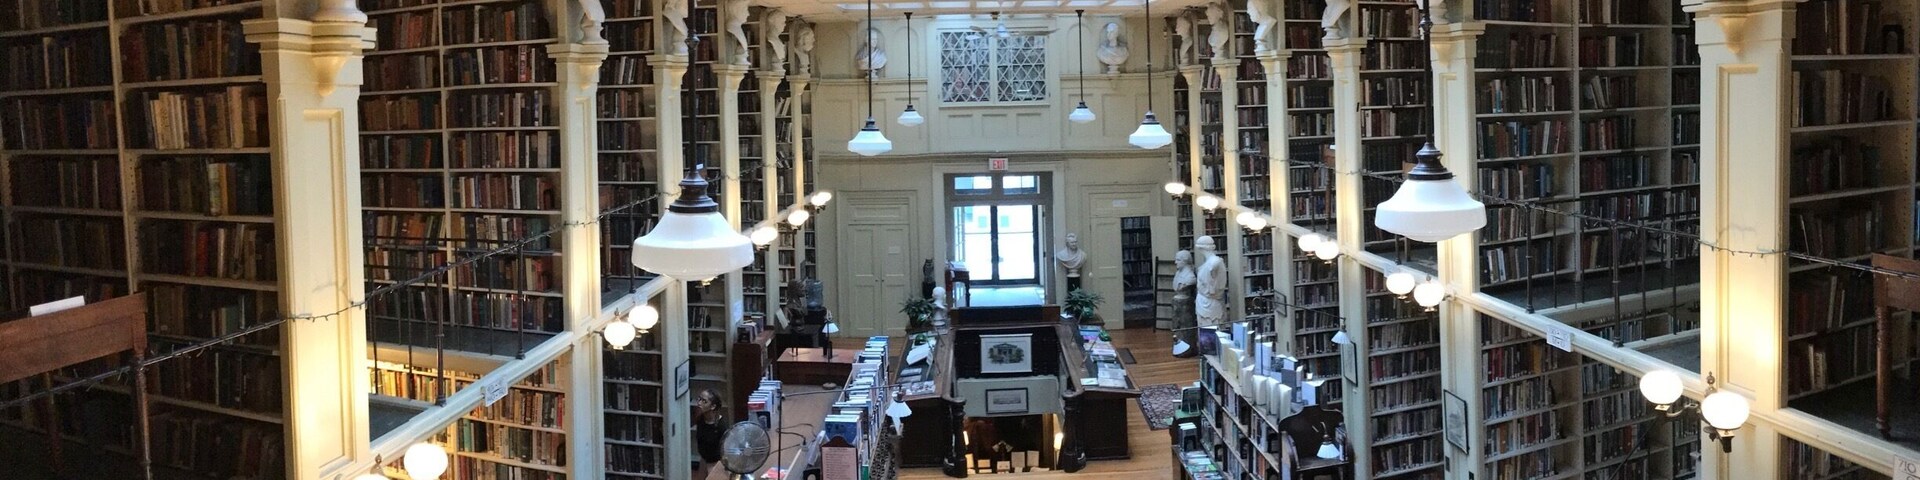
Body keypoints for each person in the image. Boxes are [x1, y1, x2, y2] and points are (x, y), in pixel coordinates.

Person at [691, 389, 727, 477]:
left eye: (704, 401)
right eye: (699, 399)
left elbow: (725, 449)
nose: (699, 403)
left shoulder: (720, 426)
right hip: (704, 460)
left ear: (713, 406)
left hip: (716, 463)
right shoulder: (700, 420)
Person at [1171, 250, 1199, 357]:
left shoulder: (1190, 277)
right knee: (1177, 327)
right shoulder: (1178, 273)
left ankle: (1186, 349)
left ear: (1185, 261)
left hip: (1185, 302)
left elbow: (1188, 283)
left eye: (1178, 260)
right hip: (1178, 300)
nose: (1175, 262)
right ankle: (1178, 347)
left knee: (1185, 326)